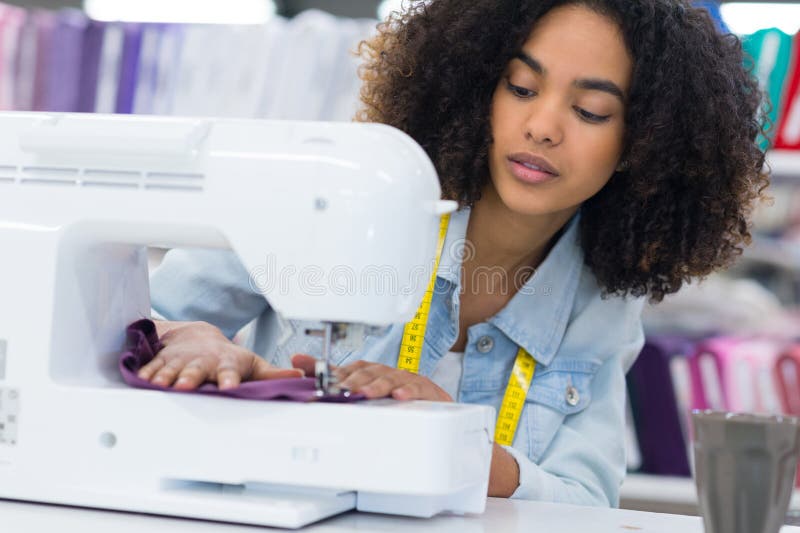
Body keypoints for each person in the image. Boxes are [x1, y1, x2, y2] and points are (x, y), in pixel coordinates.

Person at [140, 0, 767, 506]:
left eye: (590, 110)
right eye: (520, 88)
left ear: (645, 144)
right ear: (475, 87)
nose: (544, 126)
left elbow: (585, 497)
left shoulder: (600, 302)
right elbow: (131, 320)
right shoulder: (337, 202)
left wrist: (462, 443)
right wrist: (188, 334)